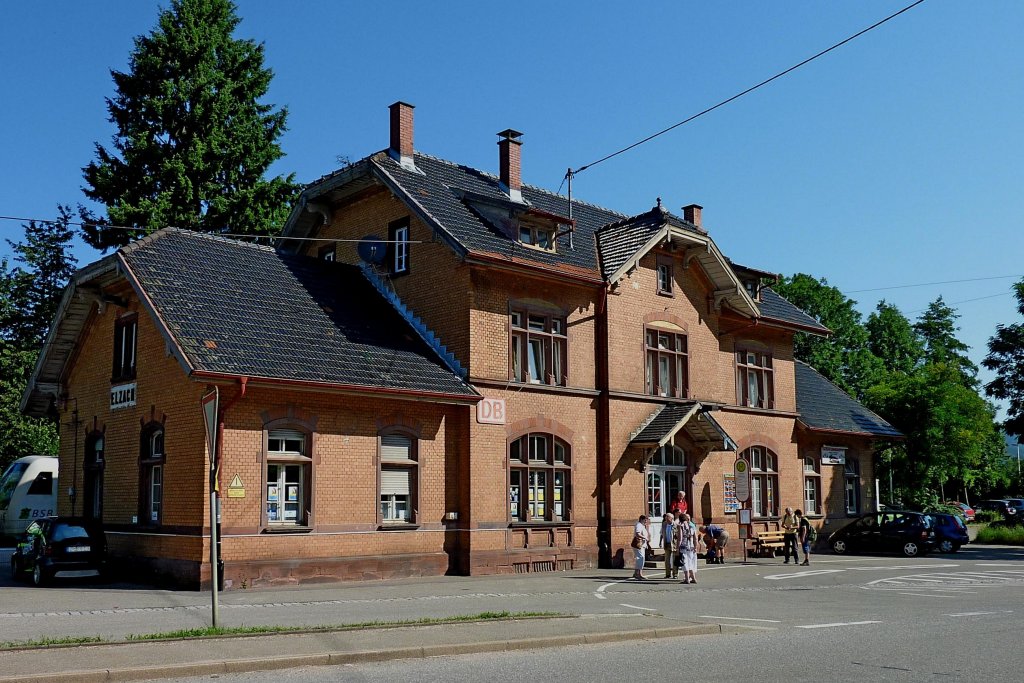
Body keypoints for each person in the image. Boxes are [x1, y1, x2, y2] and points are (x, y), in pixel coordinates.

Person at [678, 513, 698, 583]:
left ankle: (687, 579)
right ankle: (693, 578)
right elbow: (695, 537)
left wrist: (678, 548)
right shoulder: (692, 526)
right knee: (690, 562)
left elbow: (680, 538)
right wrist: (696, 546)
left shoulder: (681, 526)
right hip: (691, 546)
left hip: (684, 546)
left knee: (684, 562)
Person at [632, 515, 650, 580]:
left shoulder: (641, 525)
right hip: (638, 544)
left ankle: (636, 573)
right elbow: (638, 534)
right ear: (641, 519)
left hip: (642, 545)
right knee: (641, 558)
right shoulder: (639, 525)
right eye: (645, 520)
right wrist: (645, 537)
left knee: (640, 558)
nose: (646, 521)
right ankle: (639, 574)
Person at [662, 513, 679, 579]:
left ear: (671, 518)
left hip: (674, 544)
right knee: (667, 560)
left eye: (667, 518)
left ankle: (675, 574)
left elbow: (678, 535)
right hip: (667, 543)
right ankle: (667, 574)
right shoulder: (664, 524)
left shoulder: (676, 525)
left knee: (674, 560)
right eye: (666, 517)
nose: (666, 519)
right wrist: (661, 542)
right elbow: (662, 533)